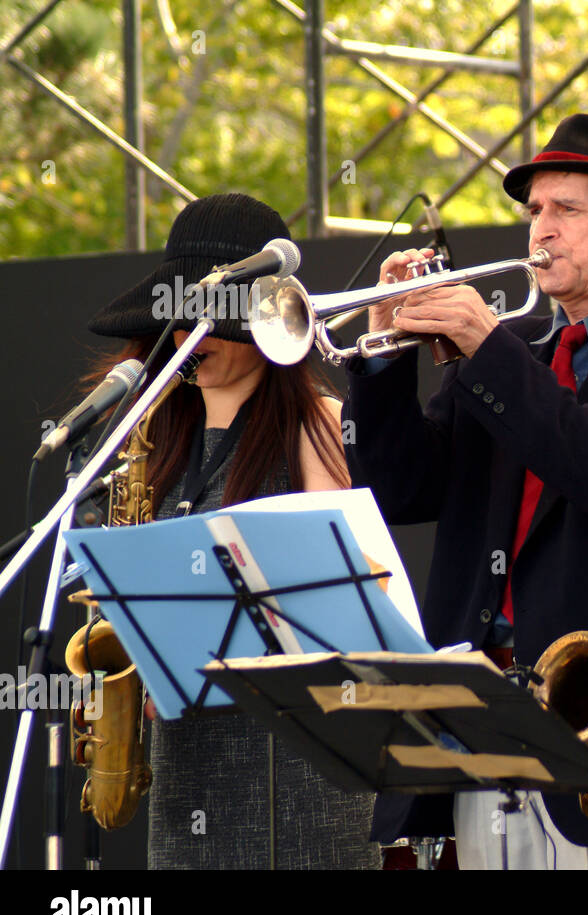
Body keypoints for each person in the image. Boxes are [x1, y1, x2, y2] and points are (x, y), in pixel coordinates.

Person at [344, 114, 588, 869]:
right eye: (534, 212)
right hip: (474, 714)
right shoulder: (508, 359)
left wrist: (486, 347)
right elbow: (400, 490)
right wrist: (384, 353)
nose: (541, 231)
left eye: (567, 210)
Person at [84, 192, 370, 869]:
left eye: (218, 321)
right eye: (181, 320)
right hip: (187, 781)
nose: (194, 336)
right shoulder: (145, 439)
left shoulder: (317, 422)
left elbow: (338, 605)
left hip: (298, 792)